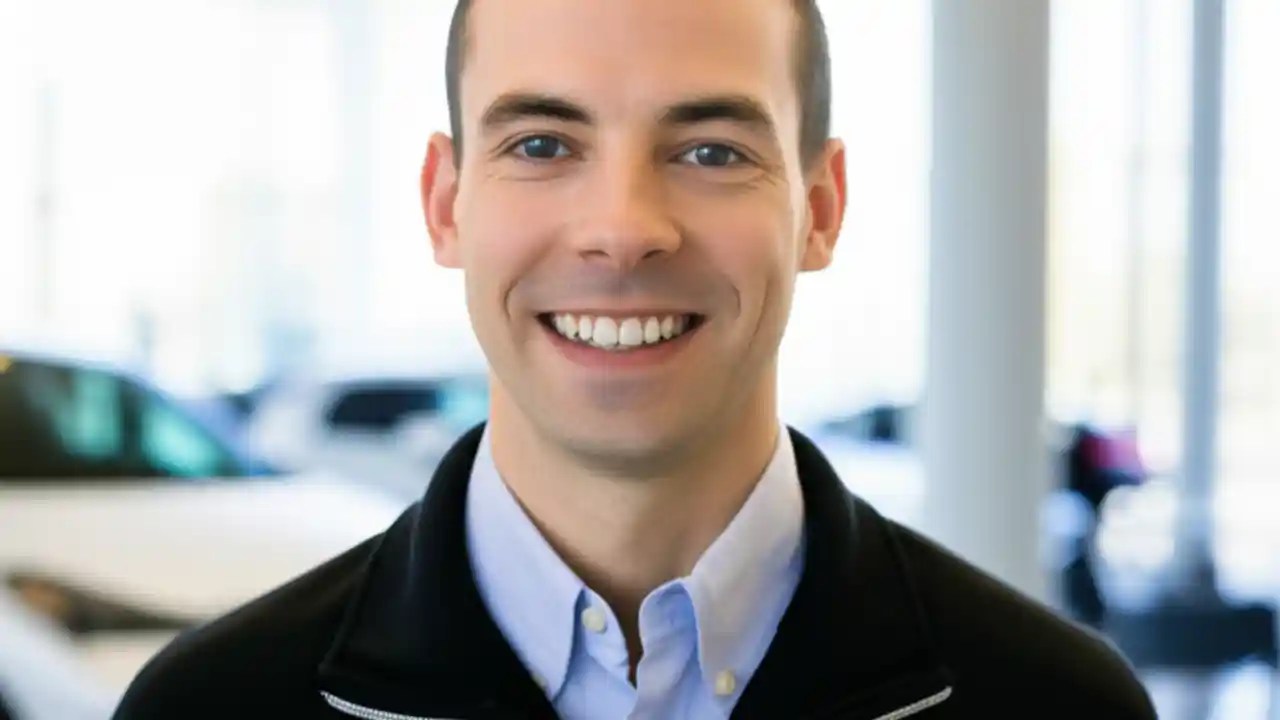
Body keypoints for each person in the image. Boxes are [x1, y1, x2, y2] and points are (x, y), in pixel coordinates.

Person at [114, 0, 1157, 717]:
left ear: (819, 209)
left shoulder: (1057, 706)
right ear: (446, 204)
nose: (622, 230)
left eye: (710, 151)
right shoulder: (211, 708)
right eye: (541, 145)